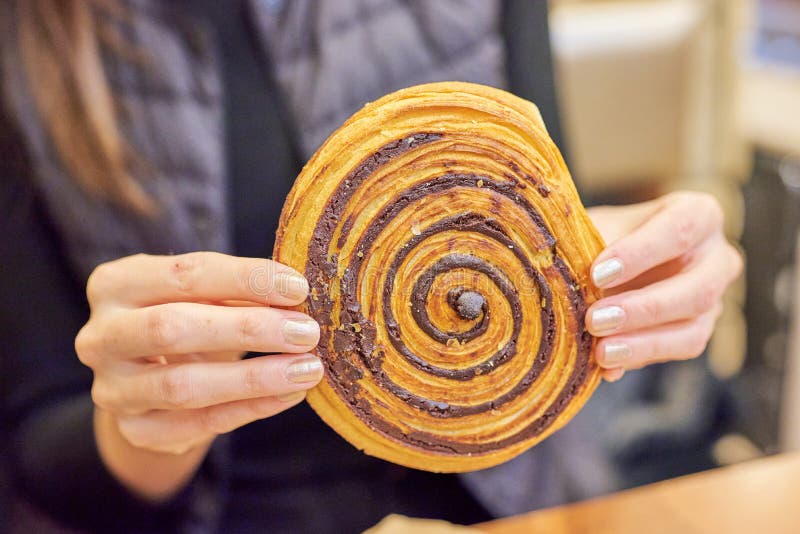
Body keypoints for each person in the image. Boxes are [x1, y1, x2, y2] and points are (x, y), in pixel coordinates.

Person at [0, 1, 742, 532]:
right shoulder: (28, 40)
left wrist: (634, 270)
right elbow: (42, 449)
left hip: (512, 502)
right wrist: (143, 424)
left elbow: (543, 205)